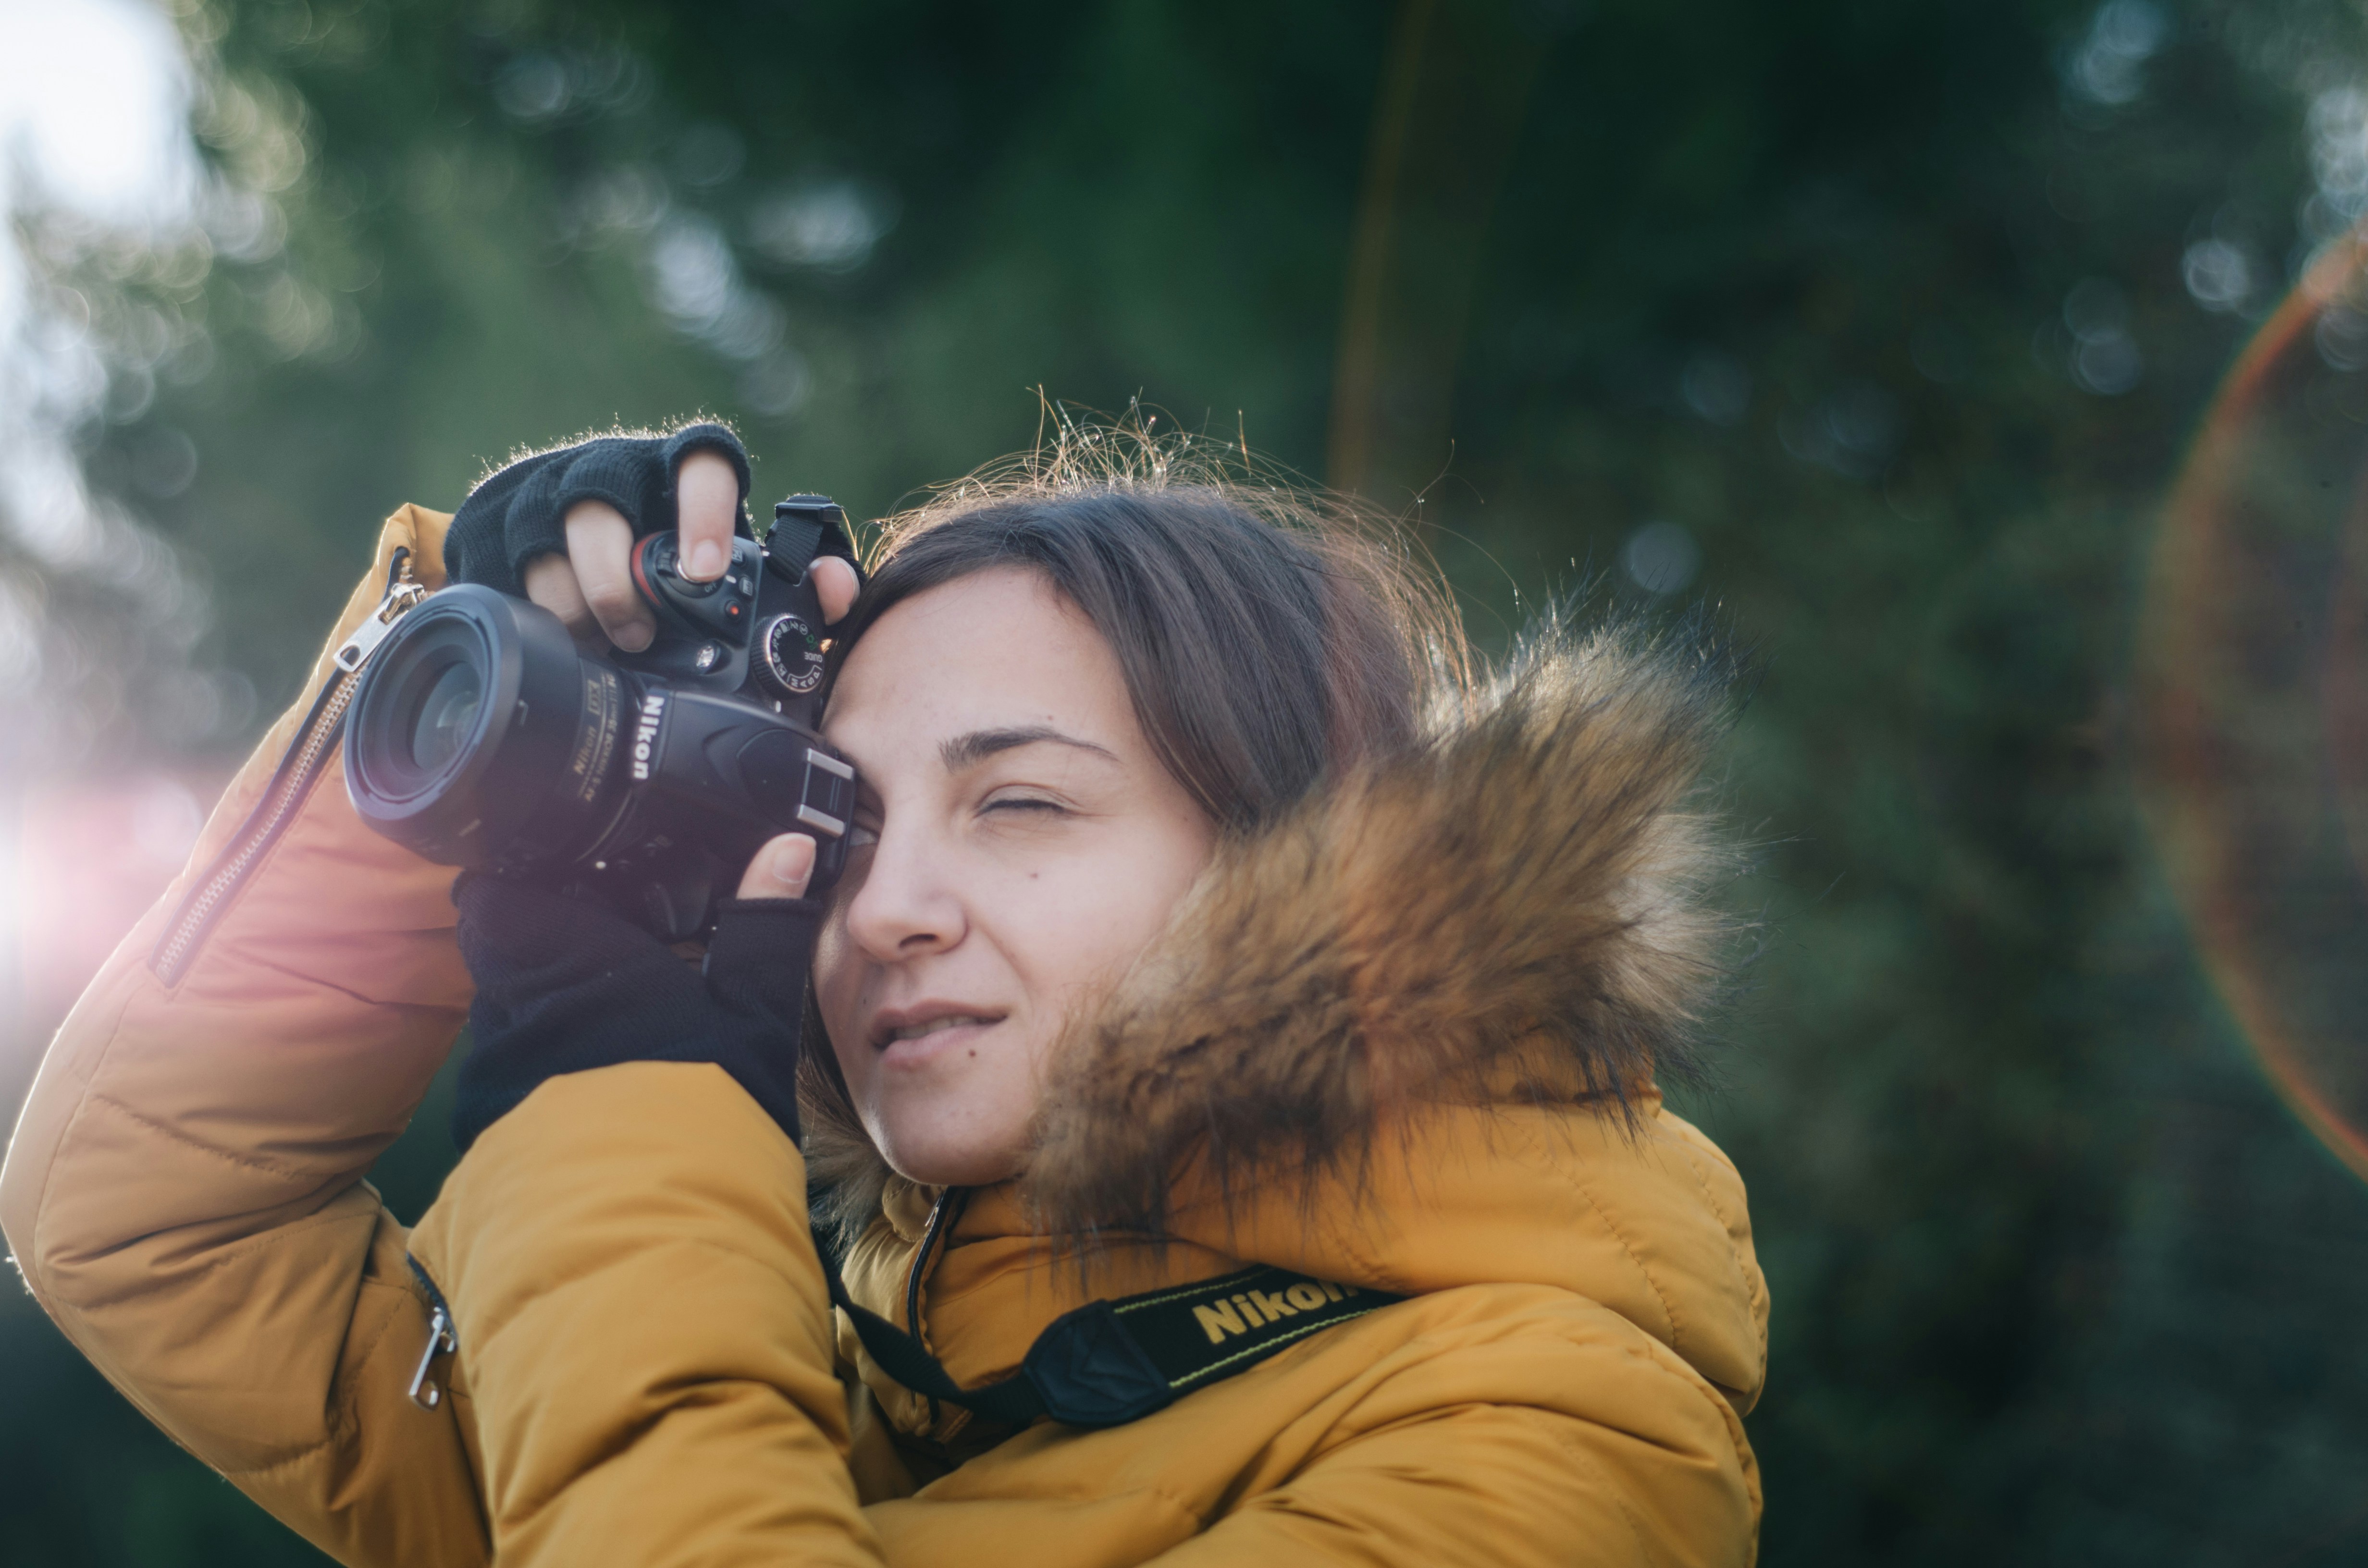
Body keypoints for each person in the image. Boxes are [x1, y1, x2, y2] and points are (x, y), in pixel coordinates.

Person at [0, 417, 1770, 1567]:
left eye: (1021, 806)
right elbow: (150, 1216)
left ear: (1320, 859)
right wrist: (469, 697)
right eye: (839, 822)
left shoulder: (1569, 1442)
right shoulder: (847, 1380)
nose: (886, 912)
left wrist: (614, 1119)